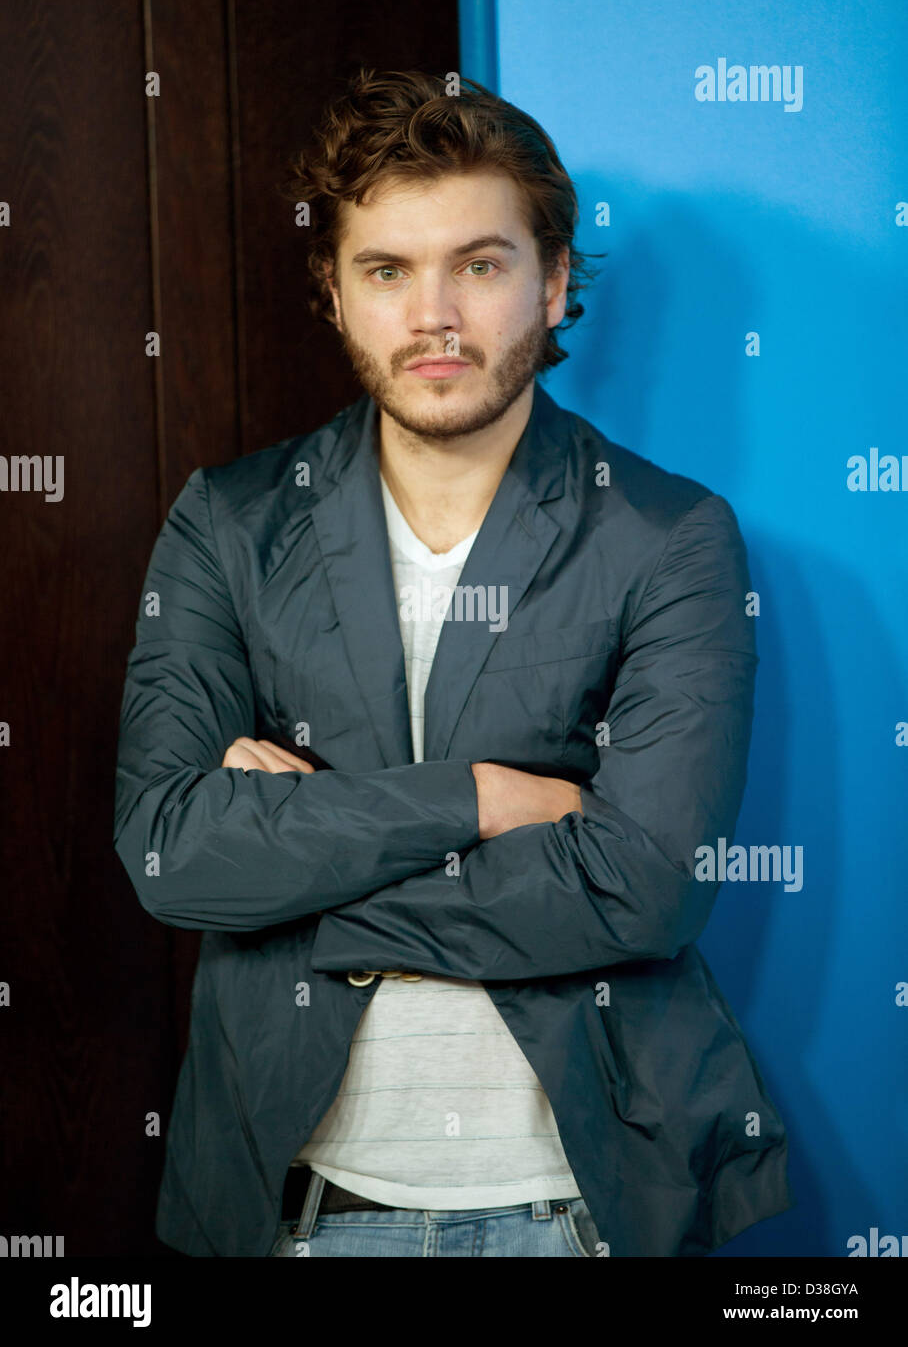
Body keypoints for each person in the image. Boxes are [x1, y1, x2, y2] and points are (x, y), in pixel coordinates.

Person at [113, 67, 793, 1257]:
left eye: (478, 264)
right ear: (332, 292)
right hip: (296, 1206)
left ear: (555, 281)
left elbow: (643, 886)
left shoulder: (668, 534)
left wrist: (302, 856)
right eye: (387, 270)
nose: (434, 315)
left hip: (577, 1206)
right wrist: (478, 799)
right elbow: (170, 851)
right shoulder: (227, 521)